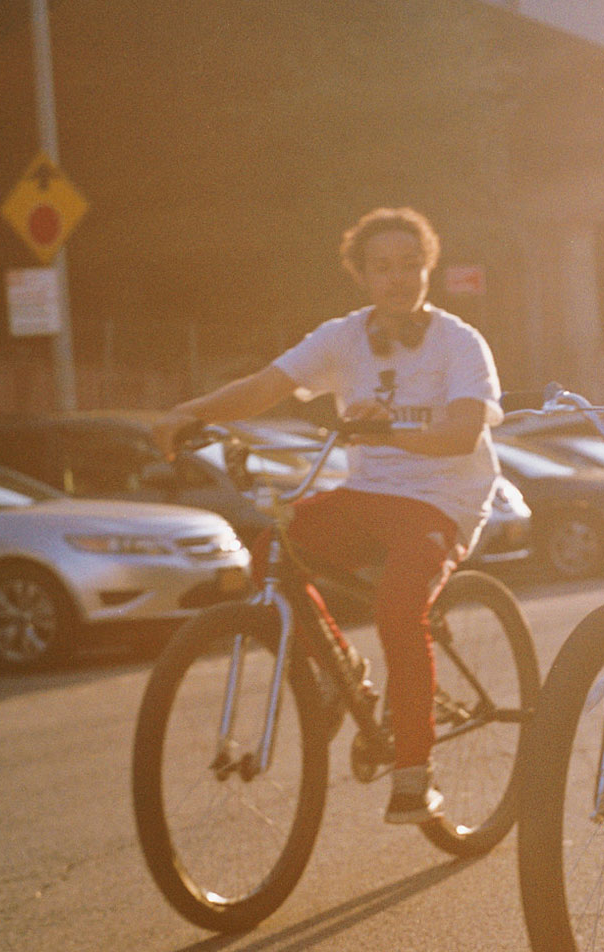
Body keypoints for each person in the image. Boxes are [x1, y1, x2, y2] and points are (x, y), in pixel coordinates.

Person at [151, 207, 503, 824]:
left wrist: (389, 430)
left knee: (399, 608)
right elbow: (265, 387)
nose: (397, 278)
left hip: (442, 500)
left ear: (429, 269)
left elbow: (462, 434)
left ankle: (414, 772)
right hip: (368, 494)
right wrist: (190, 413)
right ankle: (342, 673)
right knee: (272, 551)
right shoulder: (341, 337)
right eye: (382, 267)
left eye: (410, 265)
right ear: (360, 276)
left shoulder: (459, 342)